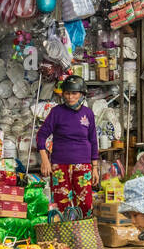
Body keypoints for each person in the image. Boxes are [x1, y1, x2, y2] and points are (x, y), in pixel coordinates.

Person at [35, 75, 99, 218]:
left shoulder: (88, 114)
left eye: (74, 93)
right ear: (63, 94)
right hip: (60, 166)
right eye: (67, 93)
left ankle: (82, 237)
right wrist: (45, 159)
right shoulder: (56, 112)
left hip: (83, 166)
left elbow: (93, 140)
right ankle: (63, 238)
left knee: (85, 204)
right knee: (61, 204)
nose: (70, 97)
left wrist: (95, 167)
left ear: (82, 94)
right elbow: (41, 135)